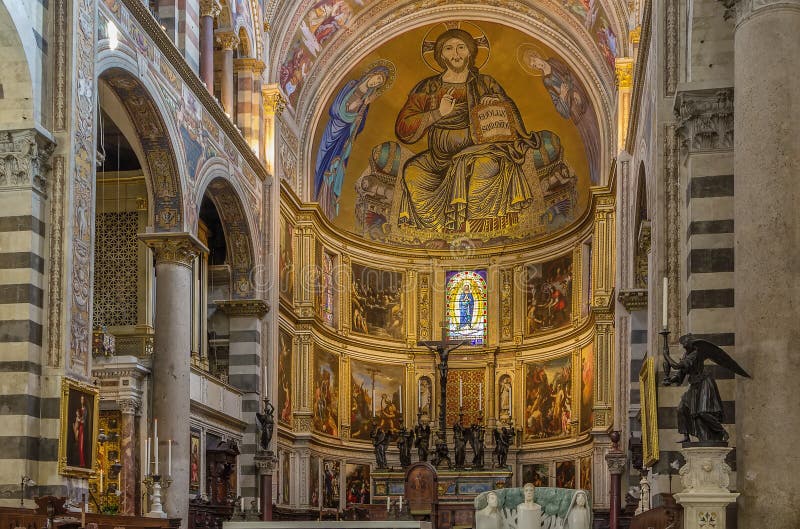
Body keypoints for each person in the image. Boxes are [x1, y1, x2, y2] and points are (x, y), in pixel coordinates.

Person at [395, 28, 541, 233]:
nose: (455, 54)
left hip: (481, 149)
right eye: (449, 48)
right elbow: (404, 126)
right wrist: (438, 113)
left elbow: (512, 119)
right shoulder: (428, 87)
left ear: (470, 52)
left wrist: (497, 103)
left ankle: (480, 232)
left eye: (461, 47)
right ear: (441, 55)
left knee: (486, 166)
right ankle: (440, 231)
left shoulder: (485, 83)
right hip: (439, 158)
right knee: (412, 171)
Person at [315, 65, 391, 219]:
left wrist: (364, 106)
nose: (376, 83)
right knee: (326, 165)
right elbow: (335, 109)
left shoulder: (367, 100)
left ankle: (327, 204)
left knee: (337, 168)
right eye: (377, 78)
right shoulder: (351, 86)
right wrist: (355, 110)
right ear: (372, 73)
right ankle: (318, 196)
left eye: (379, 83)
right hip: (333, 132)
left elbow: (360, 126)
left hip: (345, 137)